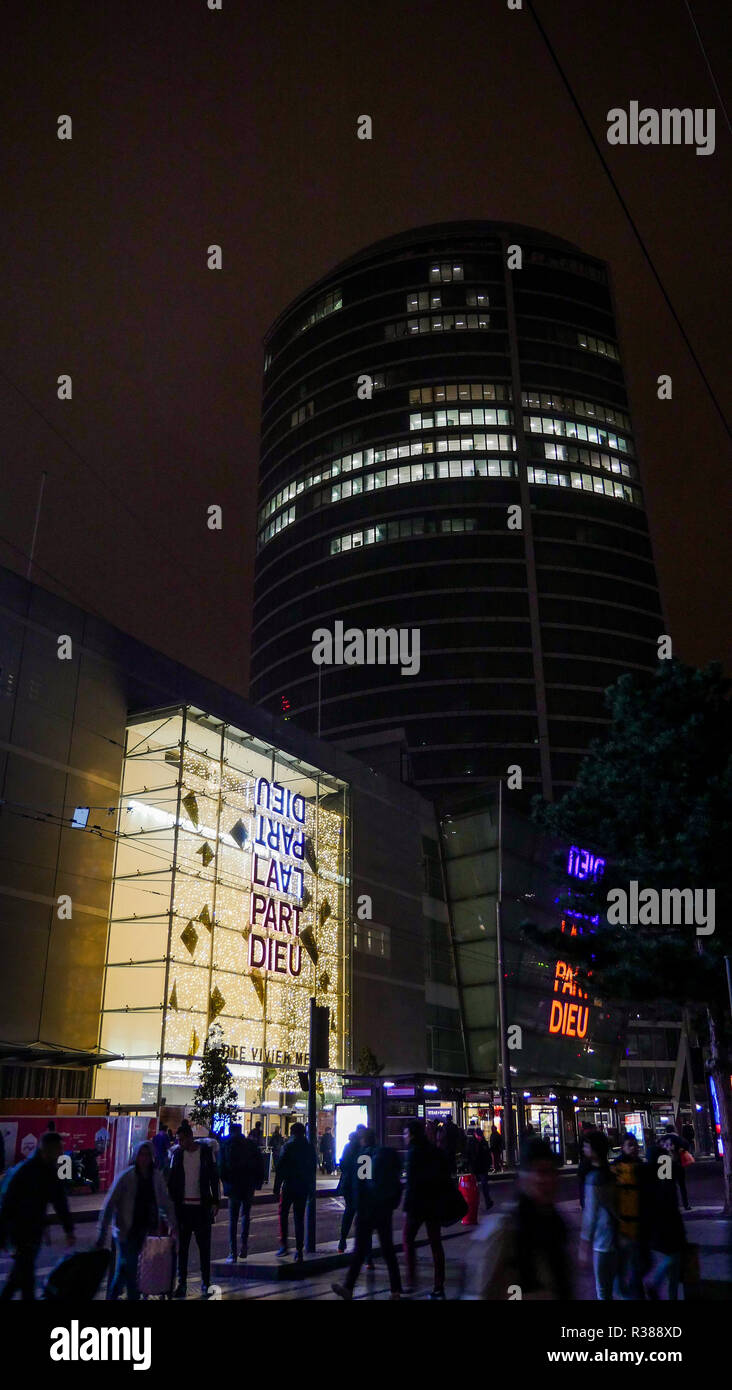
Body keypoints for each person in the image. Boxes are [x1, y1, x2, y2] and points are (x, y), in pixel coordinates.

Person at [465, 1137, 571, 1299]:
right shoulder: (502, 1231)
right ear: (522, 1177)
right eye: (538, 1172)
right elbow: (477, 1291)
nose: (544, 1180)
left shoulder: (558, 1225)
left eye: (550, 1172)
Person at [0, 1131, 74, 1300]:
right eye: (59, 1149)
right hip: (21, 1231)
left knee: (20, 1275)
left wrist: (68, 1229)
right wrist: (4, 1234)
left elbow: (59, 1202)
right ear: (48, 1149)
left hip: (31, 1230)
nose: (61, 1153)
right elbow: (9, 1204)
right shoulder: (29, 1171)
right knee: (25, 1276)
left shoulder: (45, 1170)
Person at [97, 1140, 176, 1300]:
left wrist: (172, 1223)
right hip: (125, 1230)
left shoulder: (155, 1177)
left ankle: (112, 1295)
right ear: (136, 1156)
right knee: (131, 1268)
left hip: (144, 1229)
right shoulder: (127, 1176)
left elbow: (164, 1201)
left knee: (125, 1268)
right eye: (142, 1154)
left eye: (147, 1155)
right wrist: (102, 1231)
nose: (145, 1158)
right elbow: (110, 1203)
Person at [332, 1128, 402, 1300]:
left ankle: (348, 1287)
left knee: (359, 1251)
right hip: (383, 1210)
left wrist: (359, 1206)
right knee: (388, 1250)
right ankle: (395, 1290)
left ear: (364, 1140)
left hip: (368, 1210)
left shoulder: (364, 1157)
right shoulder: (384, 1154)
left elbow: (363, 1184)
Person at [167, 1123, 220, 1298]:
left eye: (181, 1139)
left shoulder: (204, 1153)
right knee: (182, 1248)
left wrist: (215, 1201)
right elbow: (172, 1180)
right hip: (183, 1208)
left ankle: (206, 1281)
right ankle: (182, 1282)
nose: (179, 1143)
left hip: (201, 1207)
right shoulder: (177, 1154)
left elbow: (213, 1176)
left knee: (204, 1247)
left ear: (190, 1137)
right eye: (178, 1140)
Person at [401, 1119, 448, 1298]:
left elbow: (412, 1183)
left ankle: (411, 1280)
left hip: (417, 1205)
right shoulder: (434, 1151)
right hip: (433, 1203)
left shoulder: (413, 1152)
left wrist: (407, 1206)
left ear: (411, 1134)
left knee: (408, 1239)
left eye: (405, 1133)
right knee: (436, 1243)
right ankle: (439, 1286)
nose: (404, 1137)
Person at [644, 1135, 686, 1300]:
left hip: (661, 1220)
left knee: (674, 1266)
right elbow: (668, 1191)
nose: (669, 1147)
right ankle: (656, 1282)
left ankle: (668, 1291)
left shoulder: (656, 1159)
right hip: (668, 1221)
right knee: (674, 1258)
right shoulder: (664, 1161)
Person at [580, 1132, 618, 1300]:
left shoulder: (593, 1178)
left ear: (595, 1150)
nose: (583, 1148)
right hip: (619, 1235)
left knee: (603, 1290)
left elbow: (590, 1214)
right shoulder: (611, 1173)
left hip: (603, 1240)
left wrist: (583, 1244)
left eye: (586, 1145)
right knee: (619, 1286)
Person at [219, 1122, 264, 1262]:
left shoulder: (226, 1144)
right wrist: (258, 1182)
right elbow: (259, 1163)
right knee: (246, 1215)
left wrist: (226, 1182)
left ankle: (232, 1252)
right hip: (248, 1184)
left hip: (233, 1185)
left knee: (233, 1219)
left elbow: (221, 1166)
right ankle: (244, 1246)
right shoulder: (250, 1145)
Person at [612, 1133, 649, 1299]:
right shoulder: (617, 1166)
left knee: (639, 1262)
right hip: (623, 1223)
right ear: (623, 1147)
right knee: (626, 1263)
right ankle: (628, 1292)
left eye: (635, 1145)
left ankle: (631, 1291)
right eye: (630, 1145)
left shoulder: (641, 1165)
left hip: (638, 1223)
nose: (634, 1148)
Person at [275, 1122, 317, 1262]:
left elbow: (280, 1167)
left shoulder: (288, 1146)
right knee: (299, 1217)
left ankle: (284, 1245)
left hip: (289, 1185)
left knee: (283, 1214)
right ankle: (299, 1249)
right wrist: (311, 1187)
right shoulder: (309, 1147)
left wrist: (277, 1186)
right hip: (303, 1185)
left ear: (292, 1132)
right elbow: (312, 1169)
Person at [336, 1130, 361, 1252]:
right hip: (359, 1186)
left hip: (348, 1184)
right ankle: (366, 1254)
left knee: (348, 1212)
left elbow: (343, 1164)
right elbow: (365, 1173)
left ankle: (342, 1240)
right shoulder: (363, 1150)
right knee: (361, 1215)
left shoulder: (347, 1147)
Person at [662, 1125, 691, 1210]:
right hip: (677, 1163)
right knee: (681, 1185)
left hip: (664, 1163)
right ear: (674, 1129)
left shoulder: (662, 1139)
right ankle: (686, 1204)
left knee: (667, 1185)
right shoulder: (678, 1139)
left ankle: (669, 1204)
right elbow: (686, 1145)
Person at [466, 1127, 493, 1211]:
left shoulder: (483, 1142)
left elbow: (487, 1154)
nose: (480, 1137)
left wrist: (488, 1164)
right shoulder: (472, 1143)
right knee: (475, 1187)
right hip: (475, 1167)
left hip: (482, 1167)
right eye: (479, 1135)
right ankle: (473, 1204)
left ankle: (487, 1202)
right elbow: (469, 1154)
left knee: (484, 1185)